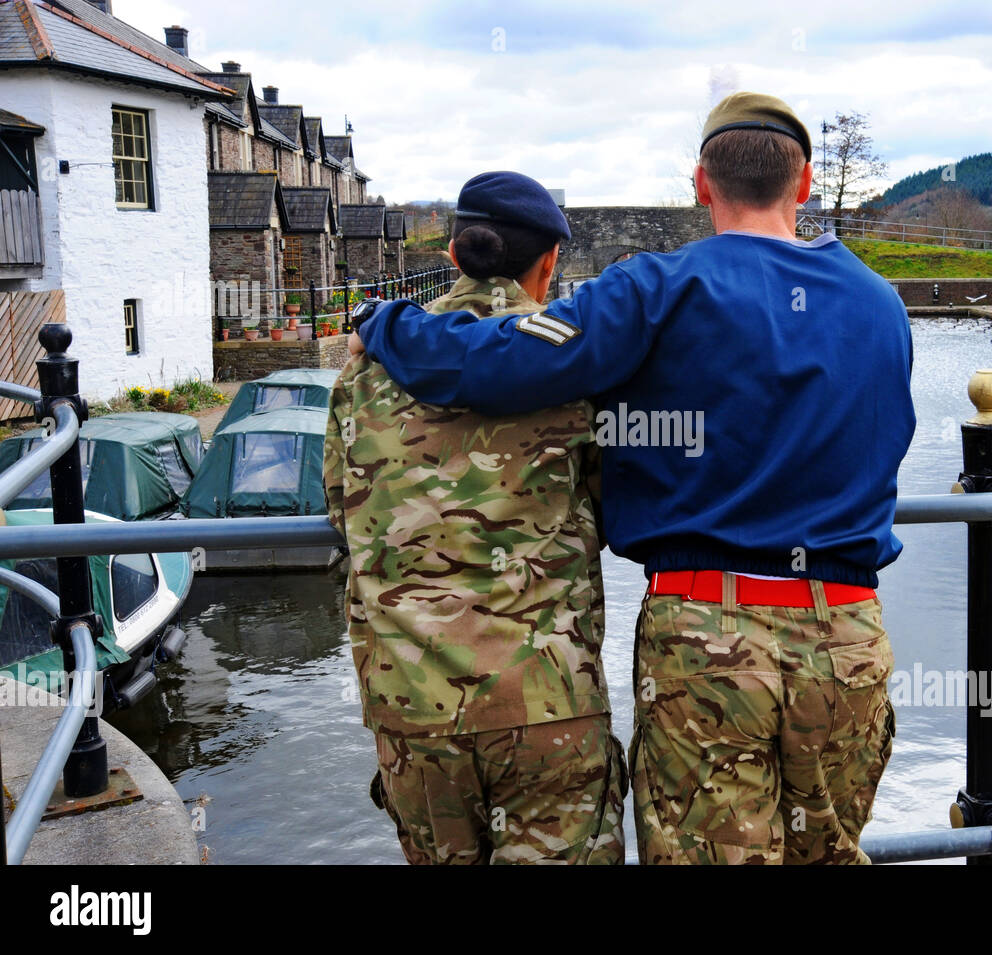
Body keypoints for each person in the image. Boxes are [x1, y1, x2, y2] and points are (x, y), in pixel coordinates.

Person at [353, 92, 916, 865]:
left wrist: (388, 323)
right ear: (807, 183)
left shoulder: (655, 289)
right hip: (848, 634)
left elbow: (503, 361)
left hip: (711, 635)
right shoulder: (881, 305)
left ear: (700, 184)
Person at [324, 171, 626, 865]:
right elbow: (617, 505)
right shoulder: (575, 364)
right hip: (548, 699)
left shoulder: (366, 369)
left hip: (411, 704)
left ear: (454, 255)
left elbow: (339, 506)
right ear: (549, 264)